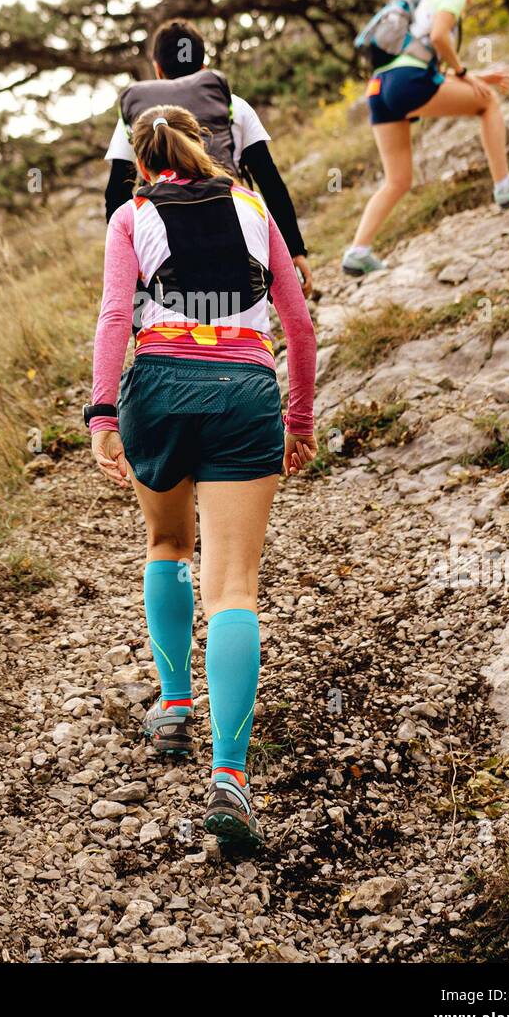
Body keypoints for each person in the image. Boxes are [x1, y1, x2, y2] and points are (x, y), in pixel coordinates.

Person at [85, 104, 317, 847]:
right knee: (234, 589)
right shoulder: (253, 206)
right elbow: (299, 321)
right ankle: (231, 782)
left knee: (168, 545)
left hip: (158, 384)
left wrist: (102, 414)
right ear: (210, 149)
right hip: (247, 389)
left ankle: (176, 703)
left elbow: (115, 317)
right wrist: (302, 419)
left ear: (147, 164)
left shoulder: (132, 213)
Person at [342, 0, 509, 276]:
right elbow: (438, 38)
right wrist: (465, 72)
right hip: (408, 80)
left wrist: (472, 76)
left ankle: (357, 252)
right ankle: (505, 185)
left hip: (380, 88)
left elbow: (418, 59)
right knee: (488, 102)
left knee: (397, 179)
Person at [104, 17, 314, 296]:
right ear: (204, 66)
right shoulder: (233, 104)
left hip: (165, 247)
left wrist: (129, 277)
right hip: (235, 235)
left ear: (157, 69)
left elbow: (115, 194)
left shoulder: (139, 119)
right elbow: (269, 180)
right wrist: (295, 251)